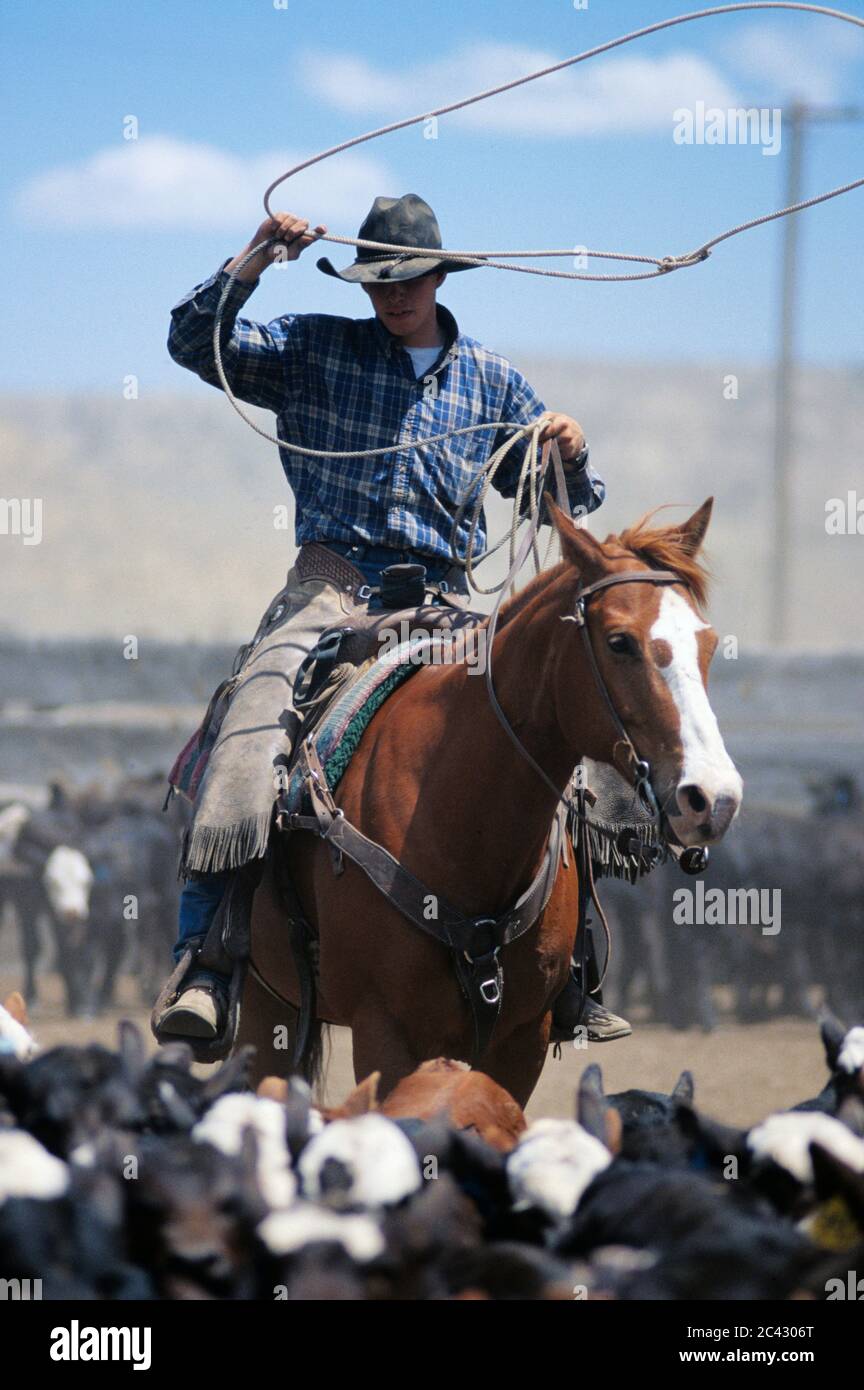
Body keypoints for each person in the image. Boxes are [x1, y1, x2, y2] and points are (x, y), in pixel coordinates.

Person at [152, 193, 631, 1047]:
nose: (394, 294)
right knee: (250, 724)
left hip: (449, 603)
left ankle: (572, 970)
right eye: (379, 280)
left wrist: (570, 448)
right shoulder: (312, 347)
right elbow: (196, 344)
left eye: (409, 278)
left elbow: (556, 502)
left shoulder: (494, 380)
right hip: (328, 592)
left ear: (442, 275)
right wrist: (255, 259)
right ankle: (207, 963)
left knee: (560, 738)